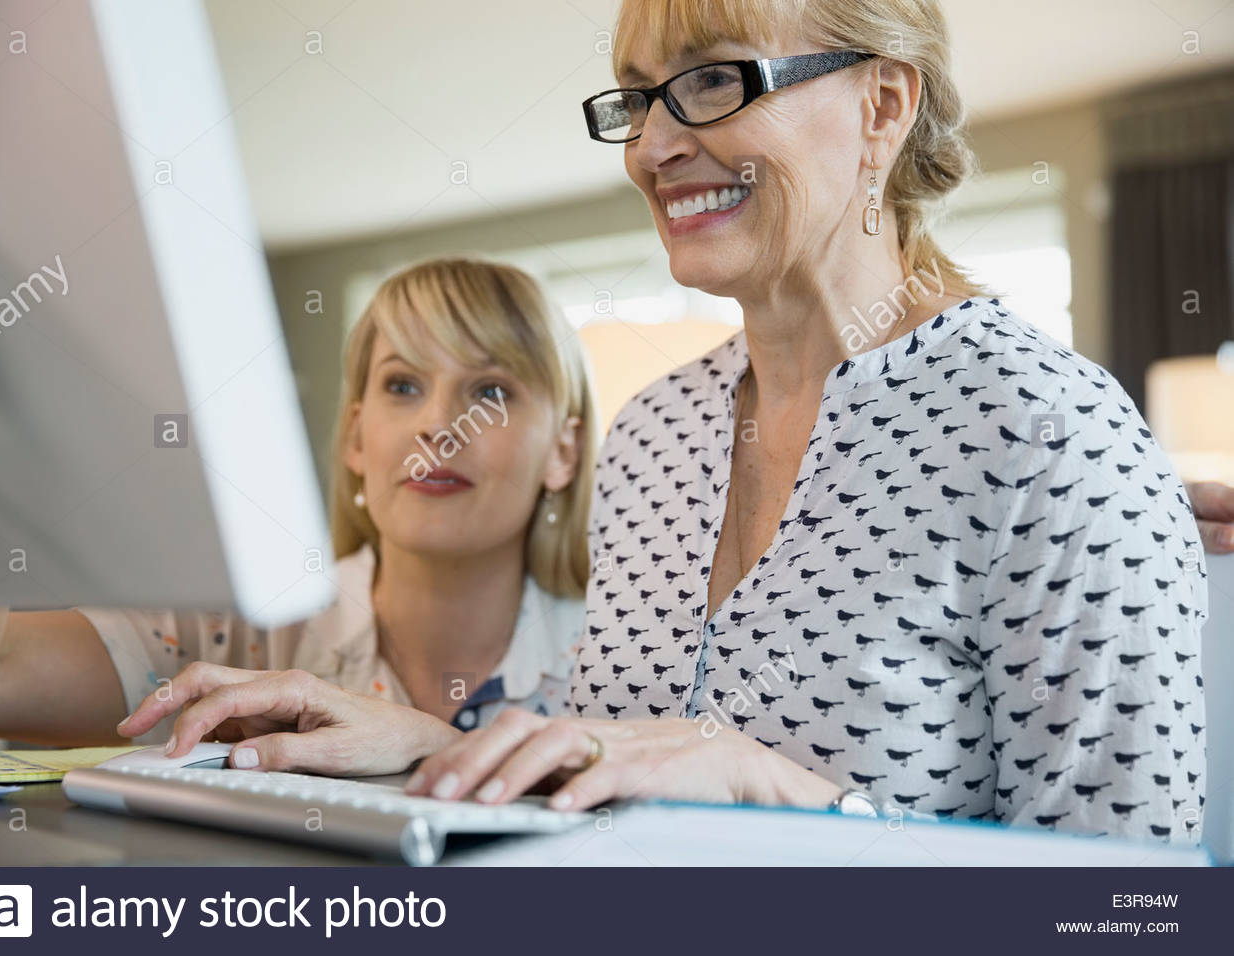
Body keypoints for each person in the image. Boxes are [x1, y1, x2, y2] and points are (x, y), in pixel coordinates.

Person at [94, 0, 1234, 839]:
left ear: (883, 102)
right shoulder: (650, 436)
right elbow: (627, 793)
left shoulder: (1053, 434)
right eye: (638, 97)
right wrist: (441, 750)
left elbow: (1128, 905)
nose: (651, 145)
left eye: (714, 79)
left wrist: (783, 790)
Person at [0, 258, 597, 774]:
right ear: (358, 439)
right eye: (403, 385)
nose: (437, 424)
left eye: (490, 390)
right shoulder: (246, 633)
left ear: (562, 451)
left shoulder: (629, 650)